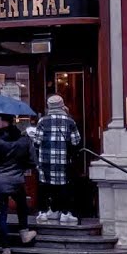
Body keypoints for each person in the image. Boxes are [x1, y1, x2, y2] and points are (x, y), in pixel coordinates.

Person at [0, 113, 37, 254]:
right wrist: (20, 167)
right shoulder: (24, 140)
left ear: (6, 123)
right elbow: (32, 161)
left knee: (1, 215)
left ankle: (5, 249)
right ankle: (24, 232)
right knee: (22, 205)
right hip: (17, 180)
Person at [32, 94, 83, 226]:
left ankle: (44, 212)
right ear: (62, 105)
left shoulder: (42, 121)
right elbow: (76, 141)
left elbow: (36, 141)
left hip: (45, 160)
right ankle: (65, 213)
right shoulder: (69, 121)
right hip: (63, 160)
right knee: (63, 186)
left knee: (45, 186)